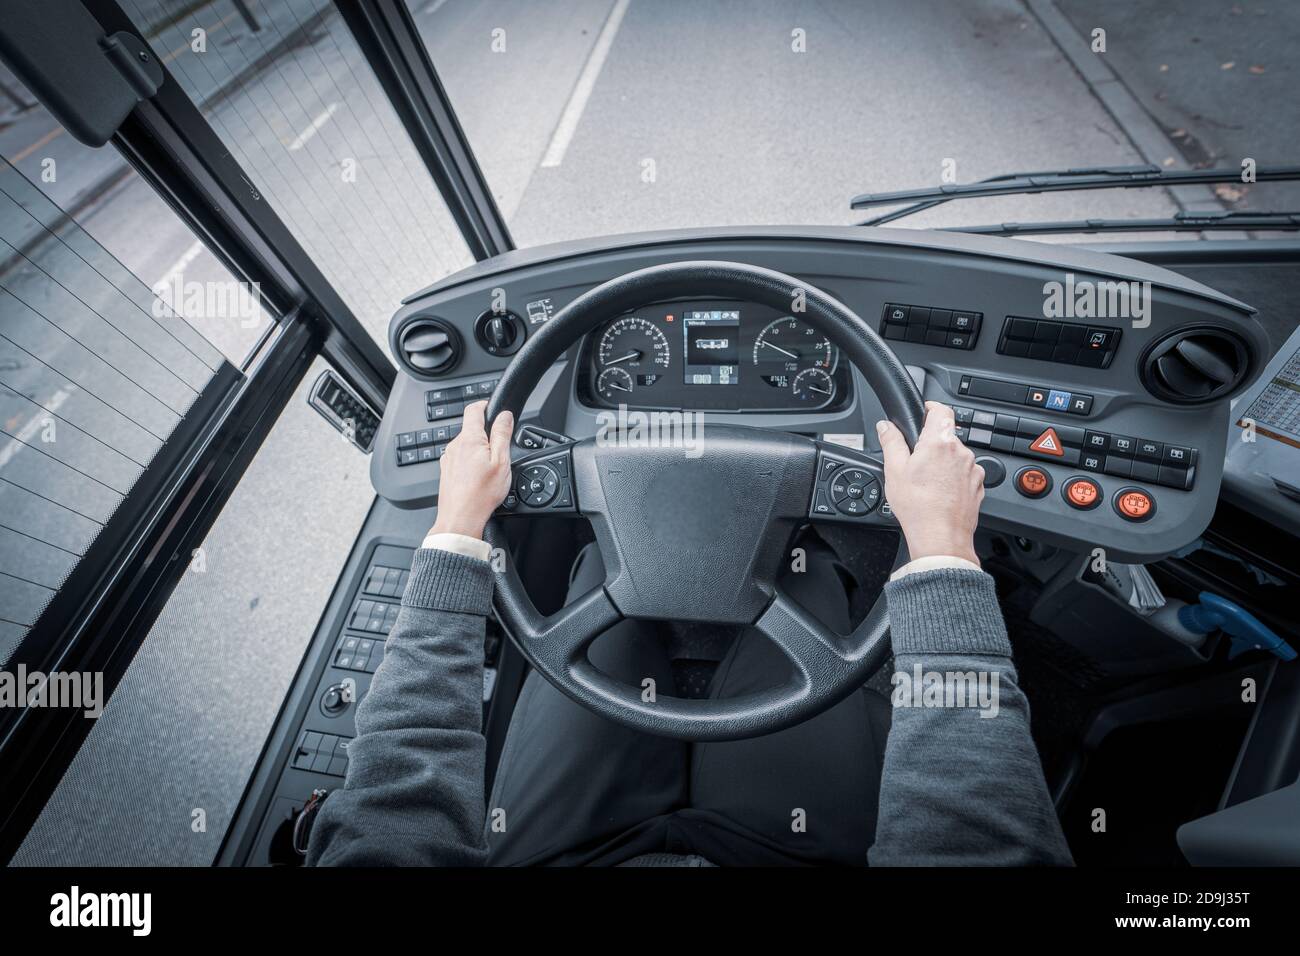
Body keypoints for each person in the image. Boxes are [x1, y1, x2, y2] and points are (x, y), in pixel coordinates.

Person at [306, 400, 1073, 866]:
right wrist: (941, 547)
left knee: (598, 578)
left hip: (563, 854)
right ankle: (800, 575)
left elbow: (398, 798)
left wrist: (455, 526)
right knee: (806, 584)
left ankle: (614, 571)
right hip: (789, 855)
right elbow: (975, 835)